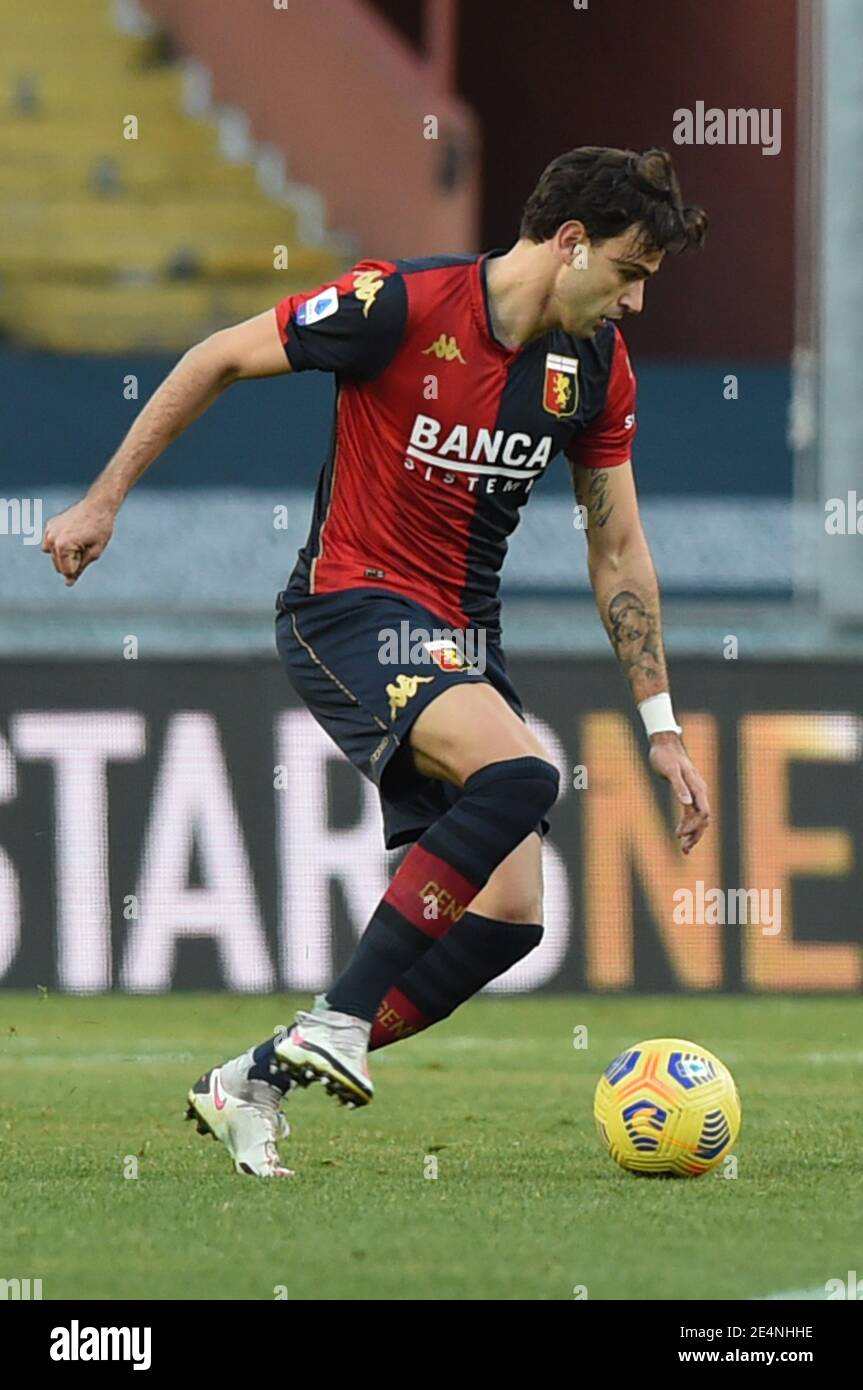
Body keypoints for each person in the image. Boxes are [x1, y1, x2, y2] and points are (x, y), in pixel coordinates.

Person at [42, 146, 712, 1178]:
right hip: (346, 607)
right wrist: (102, 499)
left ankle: (254, 1077)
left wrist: (659, 725)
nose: (631, 303)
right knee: (523, 772)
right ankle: (340, 1019)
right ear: (569, 243)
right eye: (626, 273)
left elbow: (616, 546)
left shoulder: (592, 373)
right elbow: (219, 353)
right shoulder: (396, 306)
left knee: (511, 916)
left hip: (456, 642)